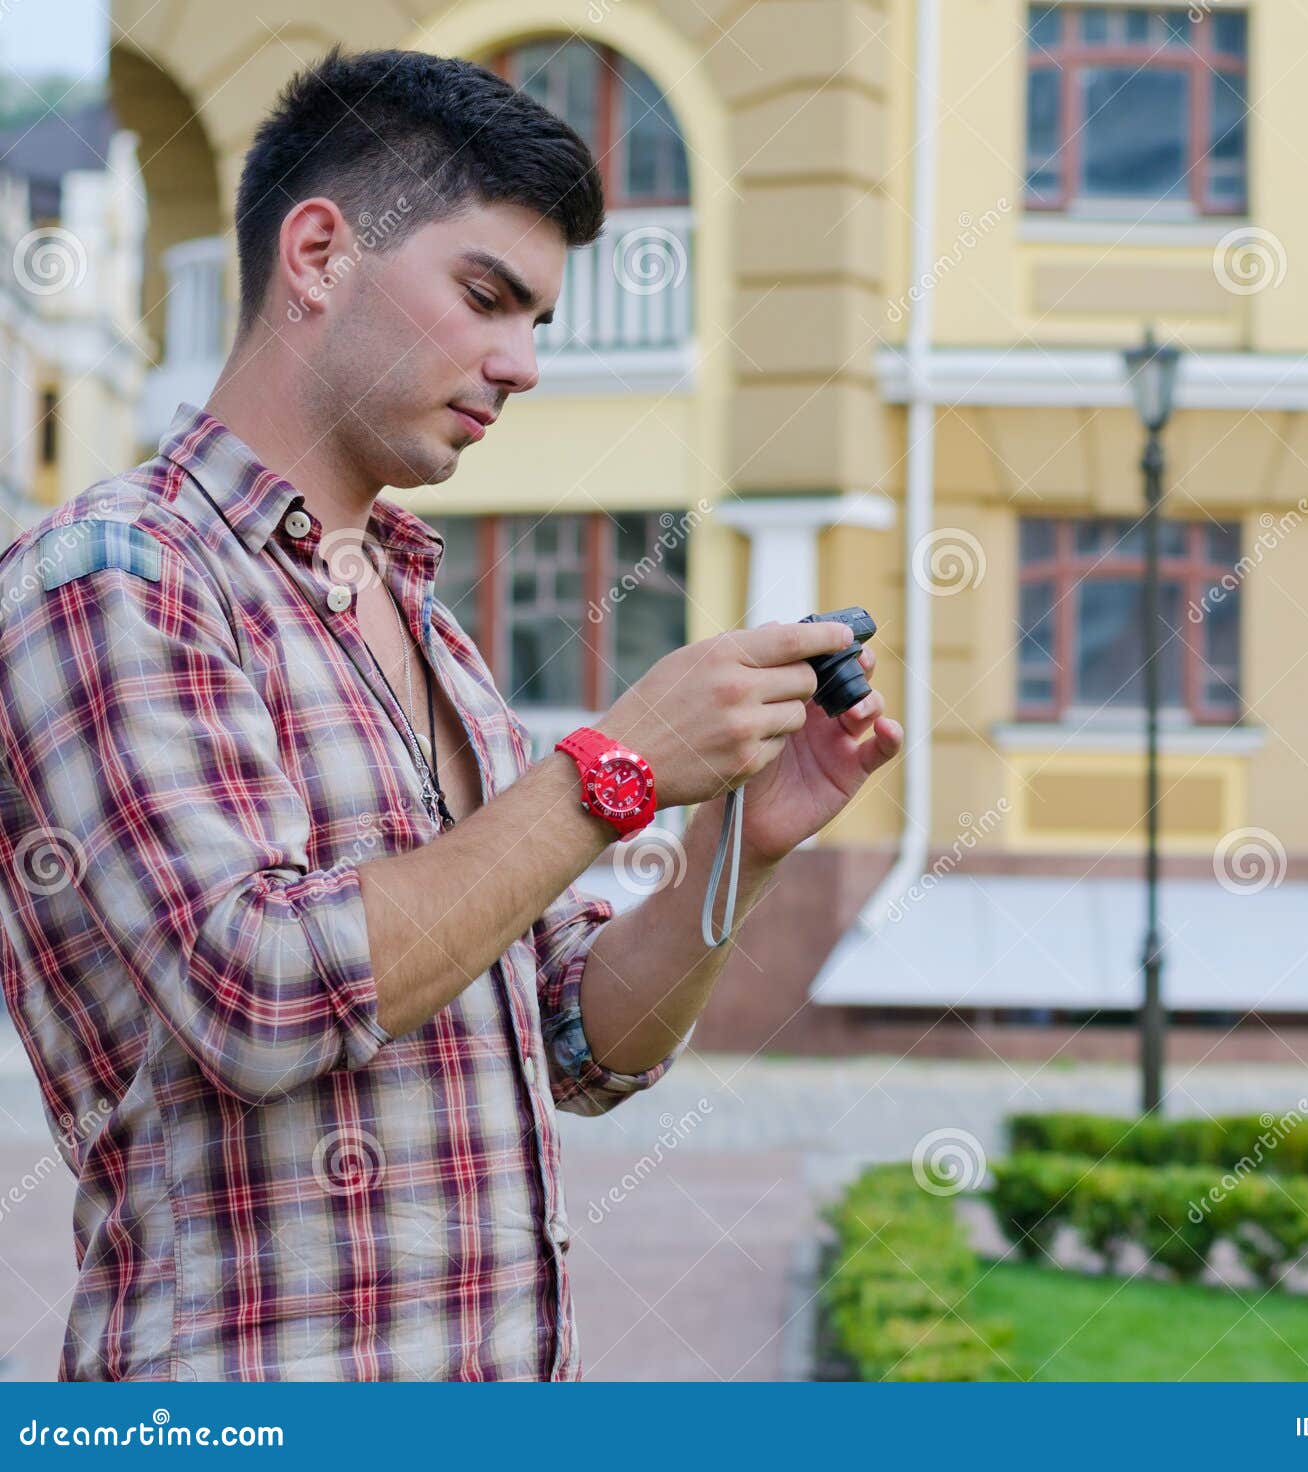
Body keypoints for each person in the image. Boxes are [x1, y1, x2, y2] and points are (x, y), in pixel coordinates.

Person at [0, 46, 902, 1382]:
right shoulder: (113, 577)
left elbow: (581, 1041)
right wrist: (613, 766)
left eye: (536, 319)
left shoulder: (427, 613)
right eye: (488, 297)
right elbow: (259, 997)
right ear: (318, 255)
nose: (522, 364)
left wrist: (742, 845)